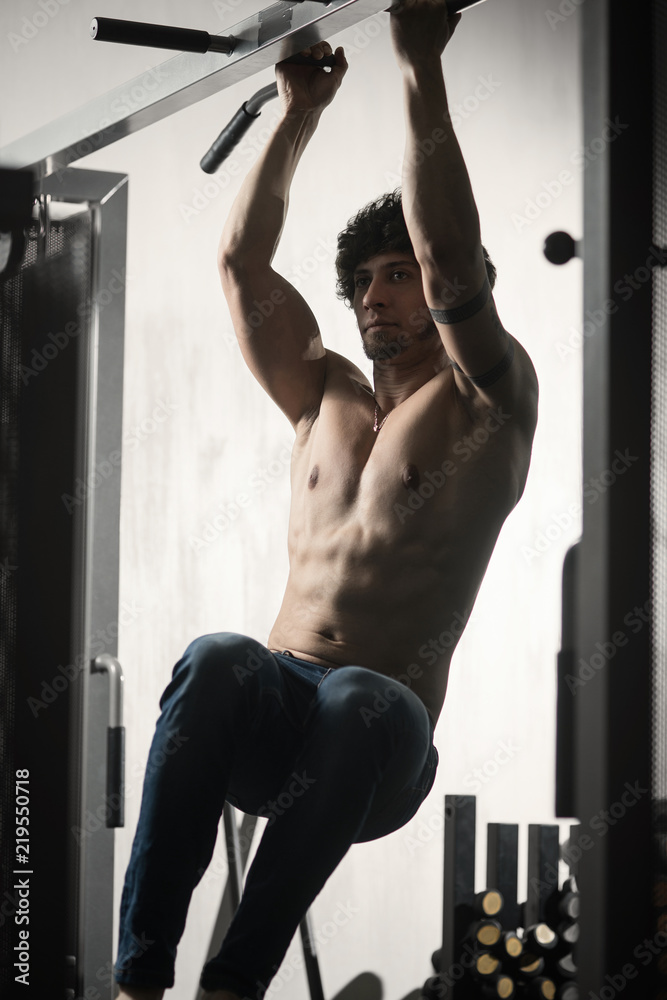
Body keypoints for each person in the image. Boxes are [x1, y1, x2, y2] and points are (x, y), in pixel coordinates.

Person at [114, 2, 538, 998]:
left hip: (380, 745)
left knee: (355, 697)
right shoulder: (322, 397)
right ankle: (137, 977)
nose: (380, 294)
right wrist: (297, 112)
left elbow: (450, 261)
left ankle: (234, 984)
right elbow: (240, 266)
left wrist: (417, 64)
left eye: (401, 275)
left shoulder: (488, 401)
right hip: (273, 724)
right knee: (217, 656)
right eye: (366, 282)